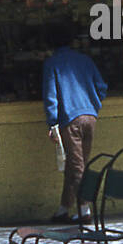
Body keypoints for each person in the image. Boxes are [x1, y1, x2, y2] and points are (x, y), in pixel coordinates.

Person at [42, 23, 108, 223]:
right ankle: (64, 208)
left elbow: (51, 96)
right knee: (76, 164)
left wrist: (53, 124)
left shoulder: (52, 63)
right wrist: (93, 105)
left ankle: (84, 210)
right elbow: (101, 86)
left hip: (70, 119)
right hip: (90, 115)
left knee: (77, 165)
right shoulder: (85, 60)